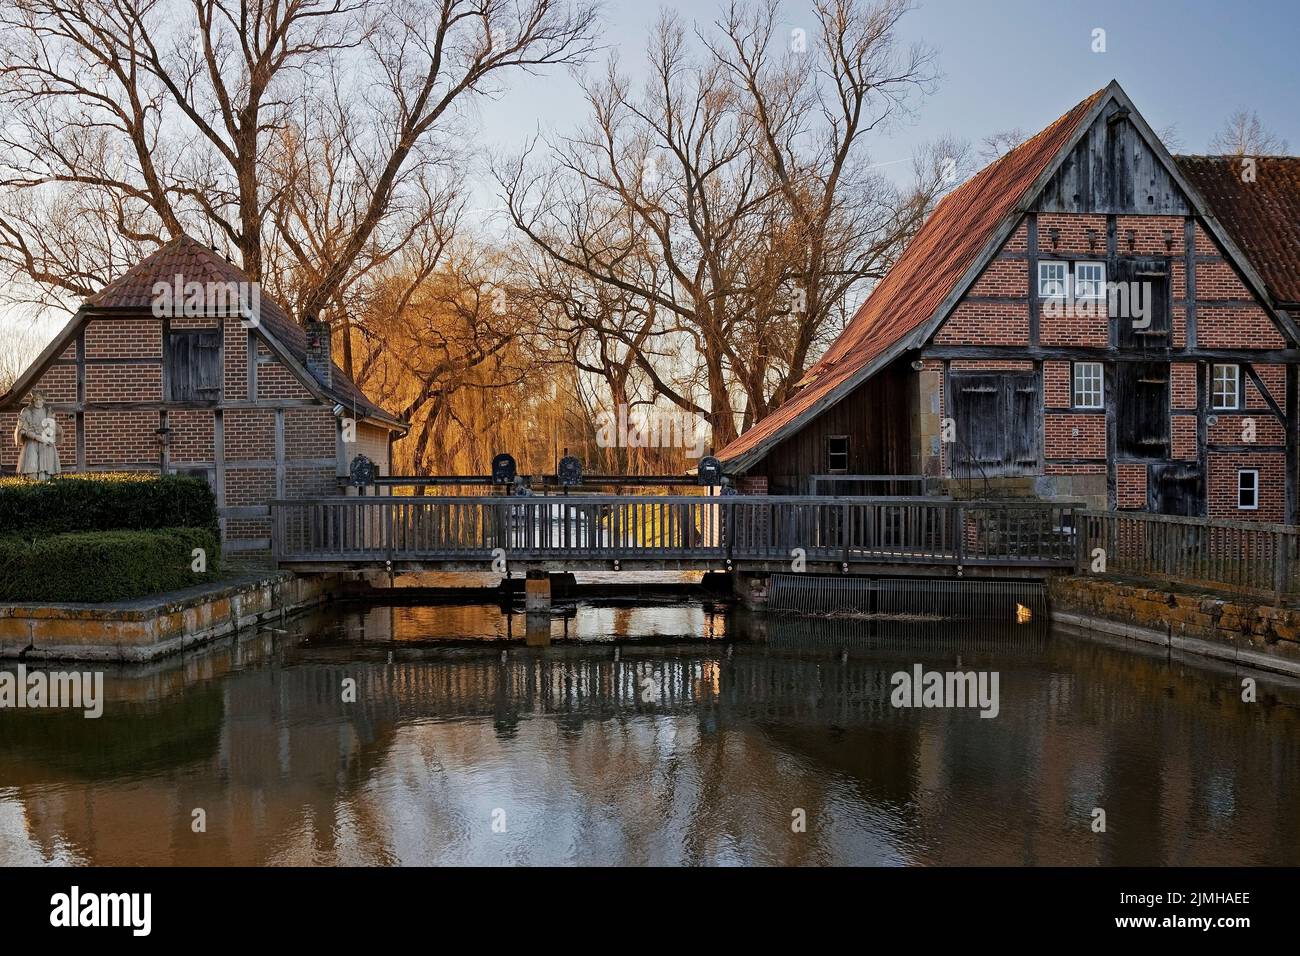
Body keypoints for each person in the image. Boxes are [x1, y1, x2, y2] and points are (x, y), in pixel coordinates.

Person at [14, 391, 62, 480]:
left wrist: (49, 437)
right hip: (32, 442)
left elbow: (51, 427)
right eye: (36, 399)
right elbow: (23, 430)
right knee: (31, 469)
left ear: (43, 400)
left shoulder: (47, 411)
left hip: (45, 444)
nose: (38, 401)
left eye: (40, 399)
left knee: (46, 472)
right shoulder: (27, 411)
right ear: (32, 400)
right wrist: (37, 437)